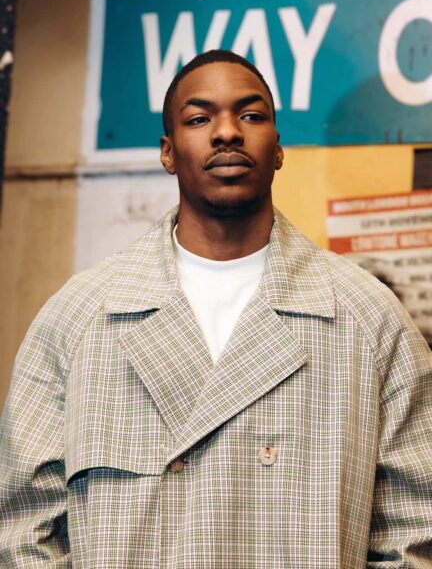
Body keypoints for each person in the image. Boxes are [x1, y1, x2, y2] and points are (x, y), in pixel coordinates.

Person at [0, 49, 431, 568]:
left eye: (250, 115)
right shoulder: (80, 318)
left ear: (278, 149)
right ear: (167, 152)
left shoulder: (367, 318)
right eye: (199, 119)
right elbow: (22, 530)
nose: (227, 132)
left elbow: (415, 534)